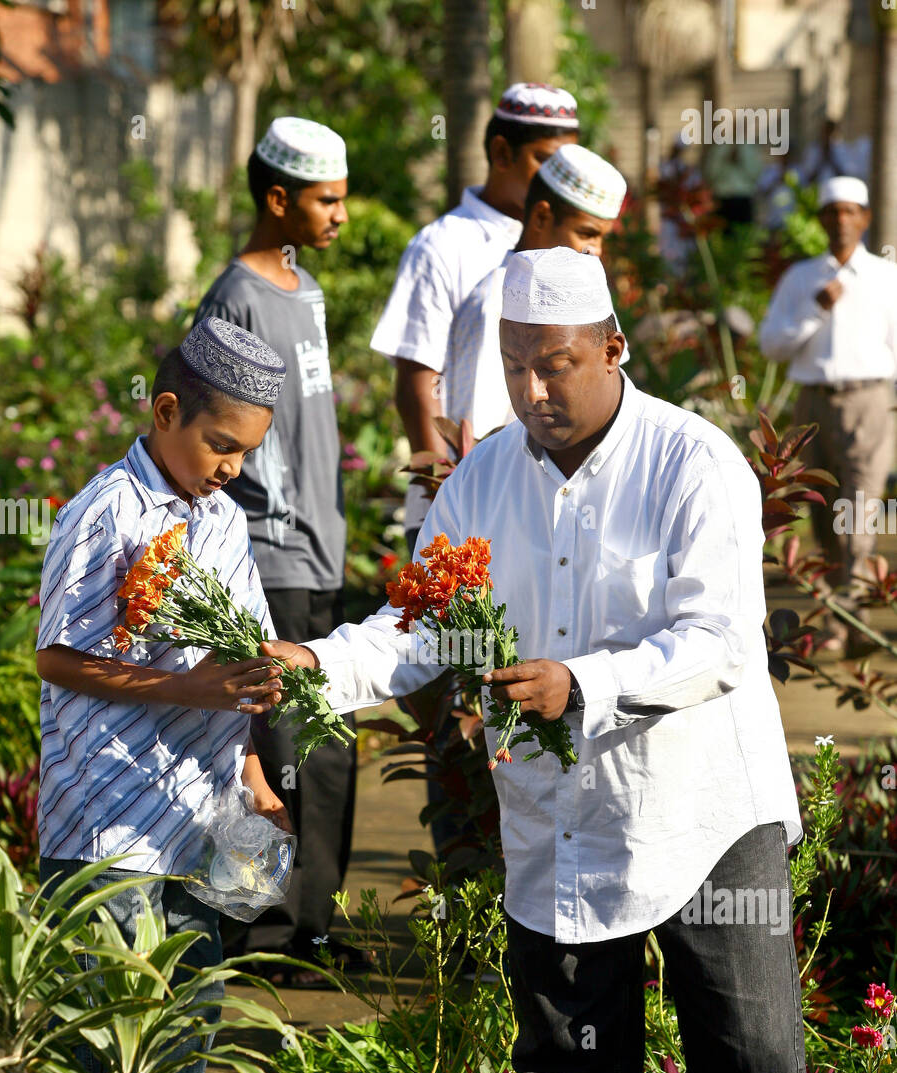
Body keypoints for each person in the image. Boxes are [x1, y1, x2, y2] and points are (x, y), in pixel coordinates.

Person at [263, 248, 805, 1073]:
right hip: (560, 820)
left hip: (701, 811)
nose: (530, 392)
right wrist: (316, 665)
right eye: (513, 368)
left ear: (611, 347)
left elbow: (716, 643)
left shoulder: (692, 464)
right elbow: (424, 626)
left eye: (554, 366)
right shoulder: (483, 480)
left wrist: (580, 682)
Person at [35, 317, 291, 1073]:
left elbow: (239, 665)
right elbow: (57, 655)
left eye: (246, 452)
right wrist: (185, 687)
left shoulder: (219, 517)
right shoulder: (103, 511)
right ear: (166, 411)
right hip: (107, 821)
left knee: (188, 1013)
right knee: (103, 1027)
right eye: (222, 444)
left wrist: (253, 776)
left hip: (198, 815)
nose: (232, 468)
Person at [195, 117, 360, 984]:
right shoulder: (239, 296)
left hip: (321, 553)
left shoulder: (303, 287)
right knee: (285, 746)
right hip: (270, 555)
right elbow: (216, 431)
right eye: (327, 198)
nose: (341, 213)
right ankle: (266, 932)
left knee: (328, 743)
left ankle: (314, 927)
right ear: (277, 197)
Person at [370, 81, 580, 556]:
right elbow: (415, 382)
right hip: (455, 505)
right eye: (545, 161)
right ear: (502, 151)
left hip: (534, 501)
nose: (556, 178)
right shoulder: (443, 245)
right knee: (460, 633)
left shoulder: (565, 248)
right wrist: (444, 488)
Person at [759, 176, 897, 656]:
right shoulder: (801, 279)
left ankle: (847, 615)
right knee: (822, 510)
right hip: (813, 404)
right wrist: (815, 312)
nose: (840, 220)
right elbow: (771, 344)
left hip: (869, 401)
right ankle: (844, 612)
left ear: (863, 218)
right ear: (821, 219)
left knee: (859, 507)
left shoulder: (885, 277)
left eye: (849, 211)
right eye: (831, 212)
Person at [447, 144, 628, 441]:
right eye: (586, 233)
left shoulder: (587, 292)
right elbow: (476, 435)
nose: (595, 250)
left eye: (602, 238)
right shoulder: (497, 298)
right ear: (542, 217)